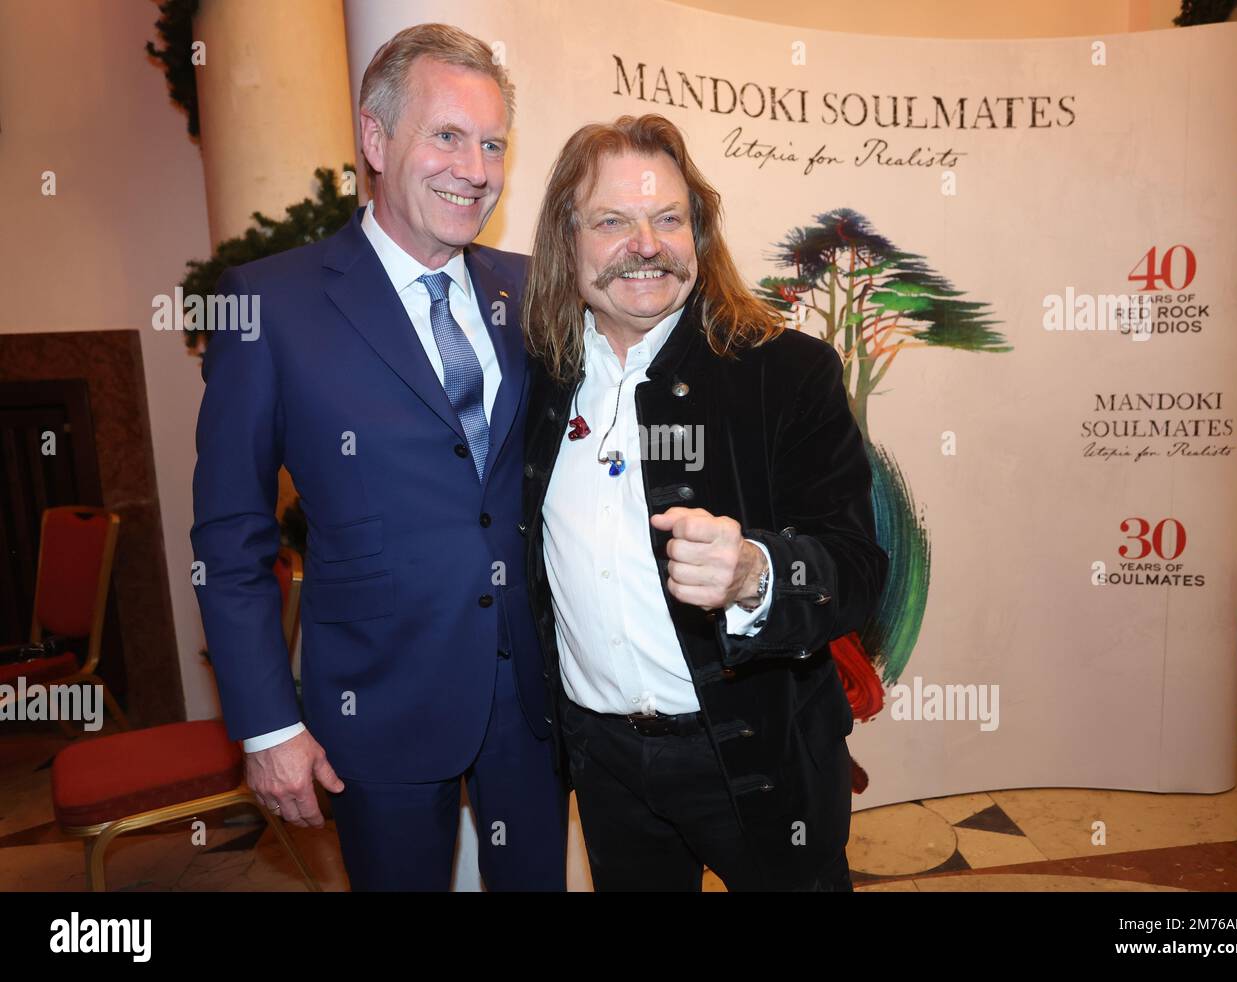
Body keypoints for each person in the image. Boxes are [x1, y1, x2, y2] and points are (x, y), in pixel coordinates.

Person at [190, 23, 566, 891]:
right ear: (373, 138)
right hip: (376, 705)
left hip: (533, 702)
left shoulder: (529, 287)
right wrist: (265, 727)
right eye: (446, 135)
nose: (475, 169)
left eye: (493, 144)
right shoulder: (270, 305)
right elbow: (230, 536)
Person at [520, 113, 889, 891]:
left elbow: (856, 570)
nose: (646, 245)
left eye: (668, 220)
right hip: (604, 762)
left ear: (700, 234)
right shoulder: (538, 379)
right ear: (567, 240)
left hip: (755, 757)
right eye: (612, 221)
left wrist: (760, 572)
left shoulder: (785, 374)